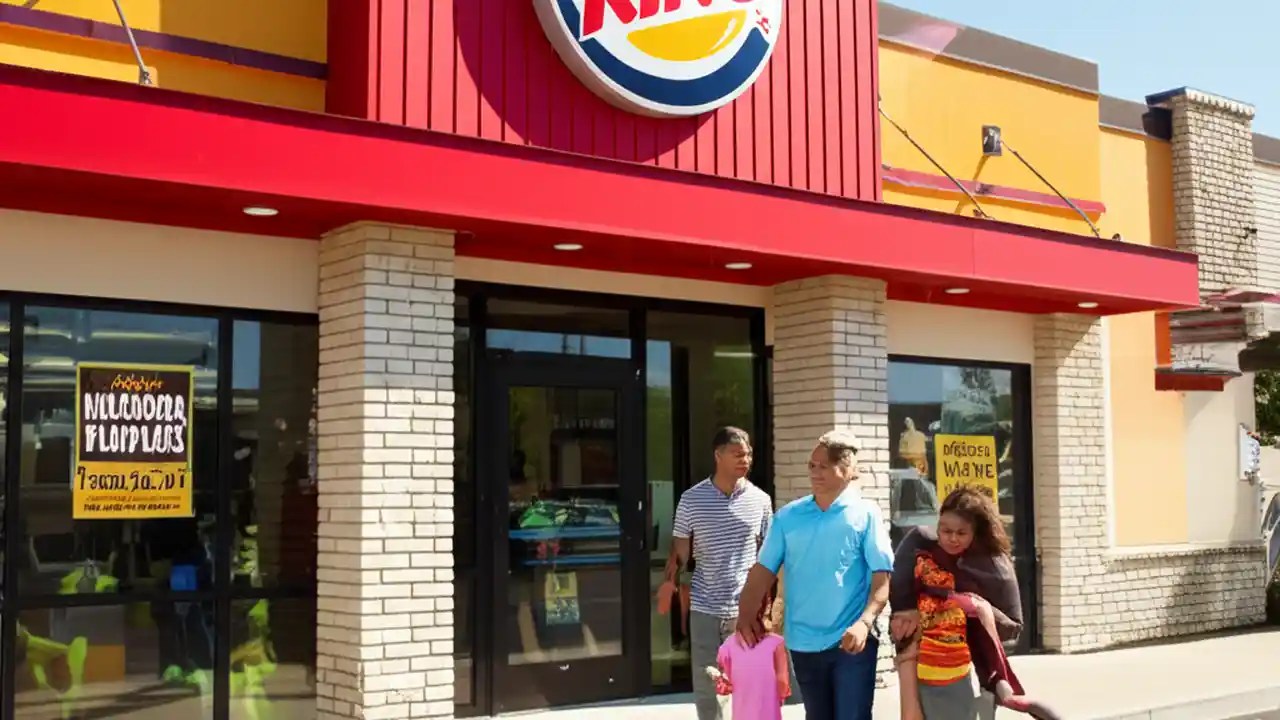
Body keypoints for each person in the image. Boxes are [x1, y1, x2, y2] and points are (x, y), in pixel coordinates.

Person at [735, 430, 893, 720]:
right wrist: (745, 615)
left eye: (824, 466)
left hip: (852, 641)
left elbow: (881, 580)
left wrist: (865, 622)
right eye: (812, 465)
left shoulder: (866, 514)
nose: (815, 472)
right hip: (803, 642)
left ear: (848, 470)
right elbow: (762, 572)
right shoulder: (788, 516)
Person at [889, 486, 1059, 720]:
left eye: (961, 533)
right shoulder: (921, 545)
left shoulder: (994, 566)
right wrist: (913, 611)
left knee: (996, 693)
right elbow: (899, 595)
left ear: (975, 533)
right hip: (926, 650)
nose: (952, 539)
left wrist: (971, 605)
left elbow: (1012, 626)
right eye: (946, 530)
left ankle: (1008, 692)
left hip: (972, 651)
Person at [669, 426, 774, 720]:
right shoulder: (691, 499)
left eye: (748, 454)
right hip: (704, 607)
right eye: (737, 454)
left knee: (748, 684)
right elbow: (680, 553)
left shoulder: (760, 500)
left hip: (746, 608)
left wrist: (766, 606)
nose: (745, 459)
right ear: (718, 455)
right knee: (707, 684)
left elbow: (768, 556)